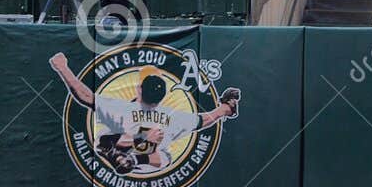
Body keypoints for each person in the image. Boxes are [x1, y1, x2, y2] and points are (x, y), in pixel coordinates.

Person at [47, 54, 239, 173]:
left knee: (104, 139)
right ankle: (130, 157)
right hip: (151, 162)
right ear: (162, 95)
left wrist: (63, 68)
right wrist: (226, 108)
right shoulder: (173, 117)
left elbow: (84, 96)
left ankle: (127, 157)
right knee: (163, 156)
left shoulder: (121, 109)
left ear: (138, 89)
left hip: (130, 153)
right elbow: (205, 119)